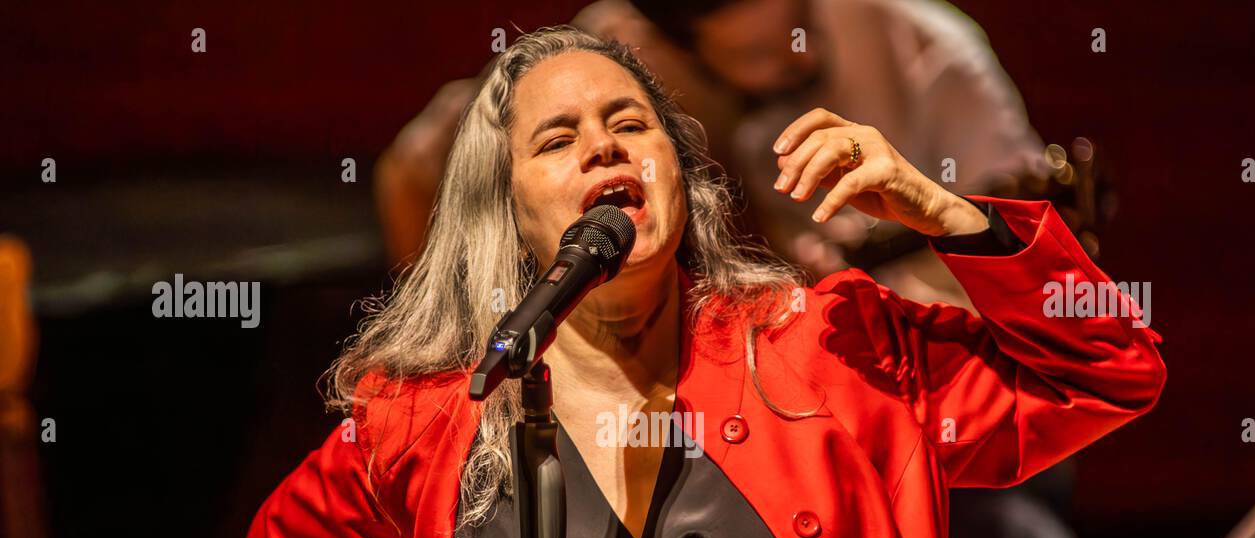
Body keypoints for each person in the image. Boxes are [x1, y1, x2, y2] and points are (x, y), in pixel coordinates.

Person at [232, 26, 1165, 538]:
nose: (603, 145)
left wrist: (944, 213)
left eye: (629, 124)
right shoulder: (443, 410)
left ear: (678, 173)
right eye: (557, 140)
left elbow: (1107, 372)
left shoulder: (823, 351)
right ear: (504, 213)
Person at [376, 0, 1049, 307]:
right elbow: (409, 171)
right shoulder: (623, 56)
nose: (801, 57)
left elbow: (1037, 256)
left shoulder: (928, 48)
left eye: (801, 26)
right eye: (757, 57)